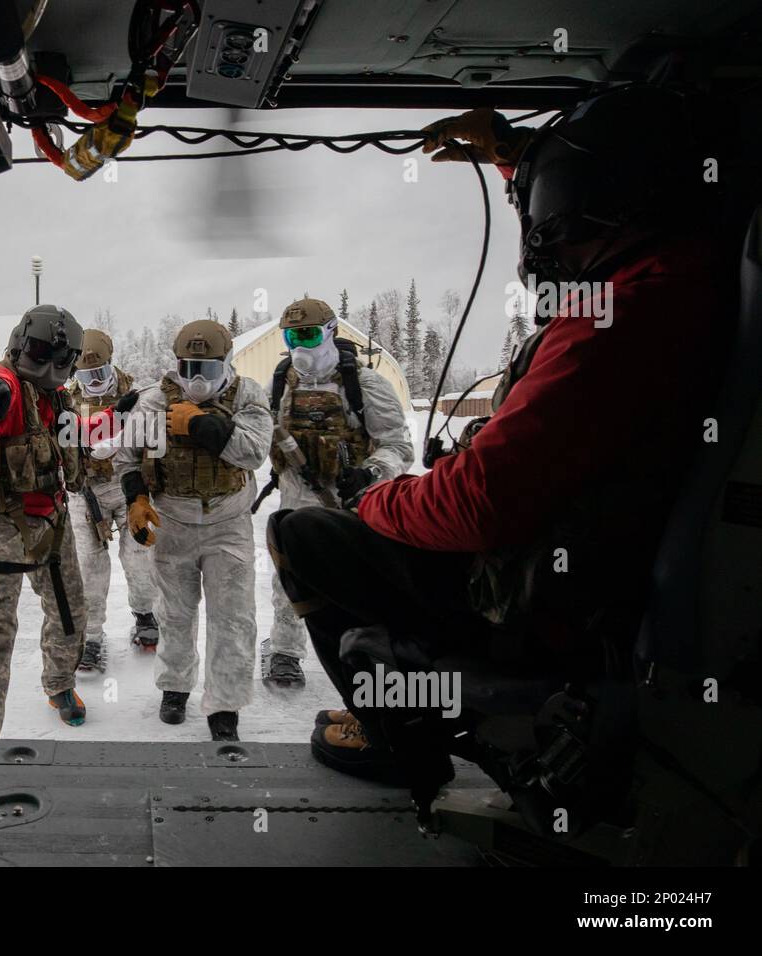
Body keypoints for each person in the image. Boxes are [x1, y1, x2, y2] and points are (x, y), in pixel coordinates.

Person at [266, 87, 729, 791]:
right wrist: (517, 161)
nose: (542, 238)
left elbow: (481, 502)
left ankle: (398, 736)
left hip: (538, 594)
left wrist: (379, 502)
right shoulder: (682, 283)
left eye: (552, 216)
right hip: (583, 570)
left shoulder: (619, 320)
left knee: (298, 536)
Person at [116, 319, 273, 741]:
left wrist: (201, 425)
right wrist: (136, 499)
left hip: (228, 524)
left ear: (225, 362)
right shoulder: (153, 401)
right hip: (174, 523)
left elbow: (254, 453)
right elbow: (127, 457)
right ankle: (174, 687)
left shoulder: (247, 395)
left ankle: (224, 705)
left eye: (207, 368)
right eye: (189, 368)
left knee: (234, 618)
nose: (197, 379)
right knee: (175, 614)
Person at [260, 297, 413, 688]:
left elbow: (397, 445)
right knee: (289, 579)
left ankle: (367, 653)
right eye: (291, 336)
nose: (300, 345)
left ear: (330, 332)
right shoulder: (279, 384)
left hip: (353, 501)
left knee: (359, 577)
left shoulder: (363, 385)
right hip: (296, 496)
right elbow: (258, 436)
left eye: (308, 334)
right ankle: (285, 651)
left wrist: (371, 473)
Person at [0, 304, 90, 739]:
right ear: (19, 344)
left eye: (59, 358)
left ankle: (59, 684)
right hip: (0, 517)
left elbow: (74, 439)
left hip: (49, 514)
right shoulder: (4, 383)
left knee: (69, 609)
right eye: (37, 351)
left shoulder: (59, 397)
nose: (47, 365)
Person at [67, 329, 158, 671]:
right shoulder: (66, 400)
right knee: (89, 567)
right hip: (85, 491)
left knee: (140, 557)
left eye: (100, 373)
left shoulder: (137, 395)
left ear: (111, 364)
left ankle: (146, 615)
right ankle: (90, 637)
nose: (94, 382)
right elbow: (66, 440)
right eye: (86, 376)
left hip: (128, 487)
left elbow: (156, 441)